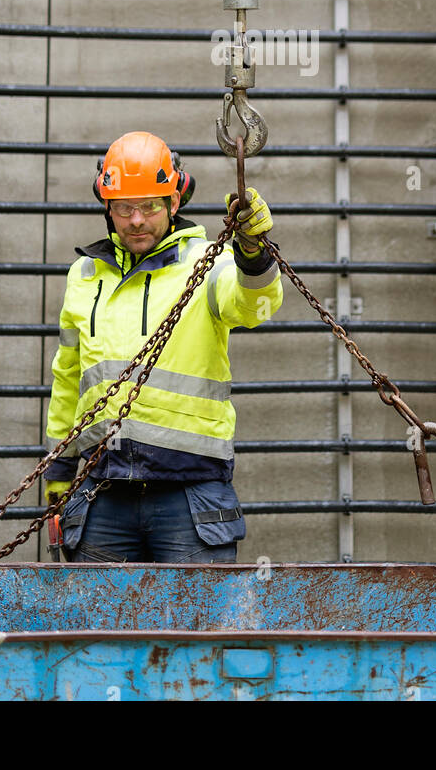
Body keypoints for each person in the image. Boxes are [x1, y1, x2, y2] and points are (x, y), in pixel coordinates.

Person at [42, 130, 282, 563]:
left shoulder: (209, 264)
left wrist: (252, 251)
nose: (136, 220)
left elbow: (254, 306)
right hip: (103, 492)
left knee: (196, 628)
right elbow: (68, 378)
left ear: (174, 203)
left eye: (150, 205)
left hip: (189, 495)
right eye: (124, 207)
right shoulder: (83, 276)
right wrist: (59, 470)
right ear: (107, 208)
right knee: (99, 628)